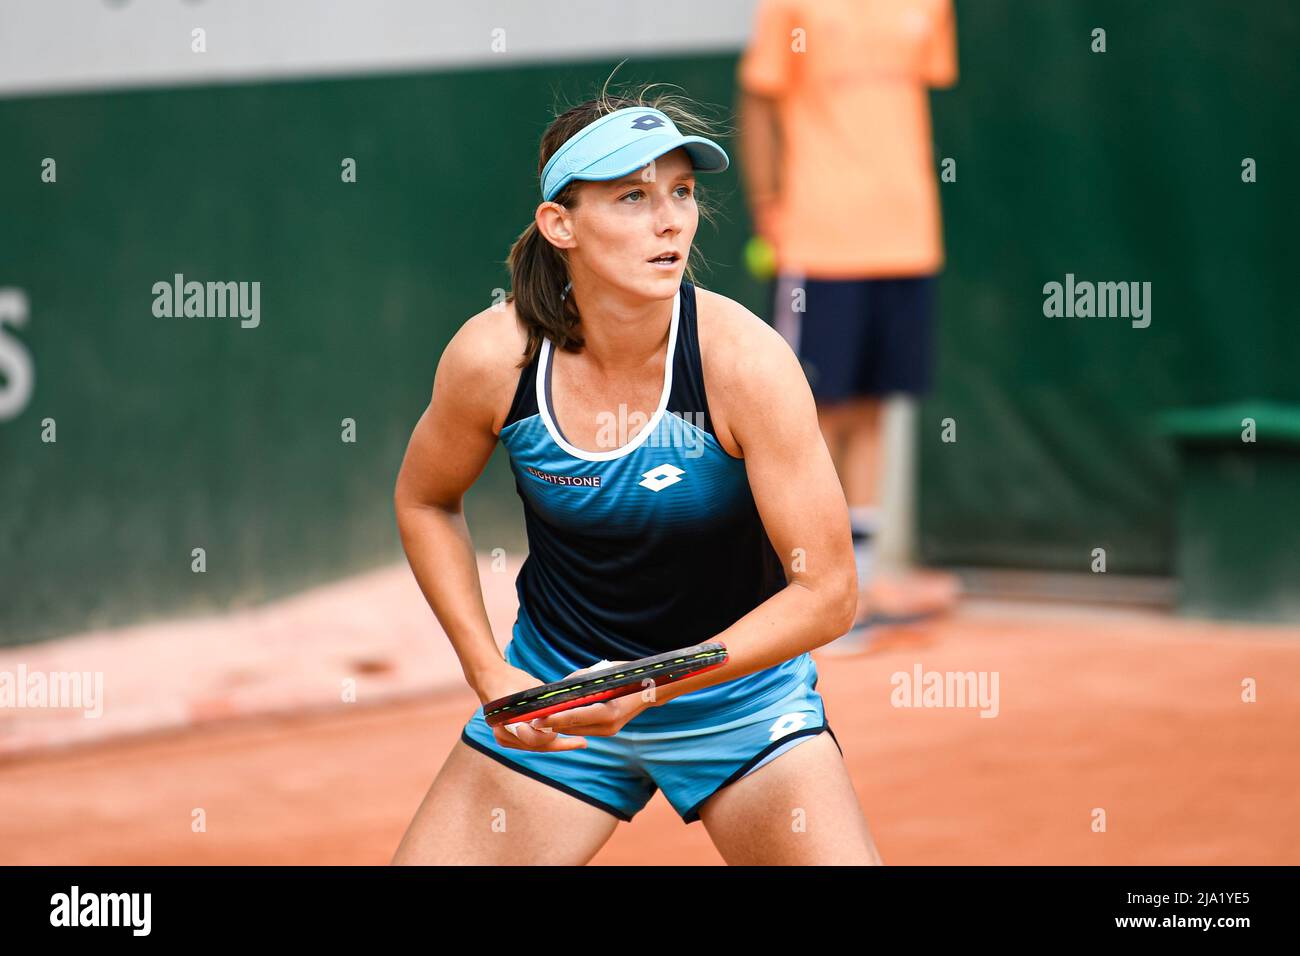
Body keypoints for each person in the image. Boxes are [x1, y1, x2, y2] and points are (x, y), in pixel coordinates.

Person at [390, 85, 883, 865]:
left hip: (741, 705)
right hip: (563, 701)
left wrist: (657, 681)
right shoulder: (494, 359)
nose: (670, 221)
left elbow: (828, 591)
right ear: (561, 225)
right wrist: (488, 670)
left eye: (681, 193)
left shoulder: (744, 364)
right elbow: (425, 499)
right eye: (631, 197)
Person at [738, 0, 961, 634]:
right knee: (810, 409)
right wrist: (768, 208)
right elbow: (758, 101)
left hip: (907, 236)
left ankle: (854, 593)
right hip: (818, 236)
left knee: (873, 407)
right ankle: (805, 591)